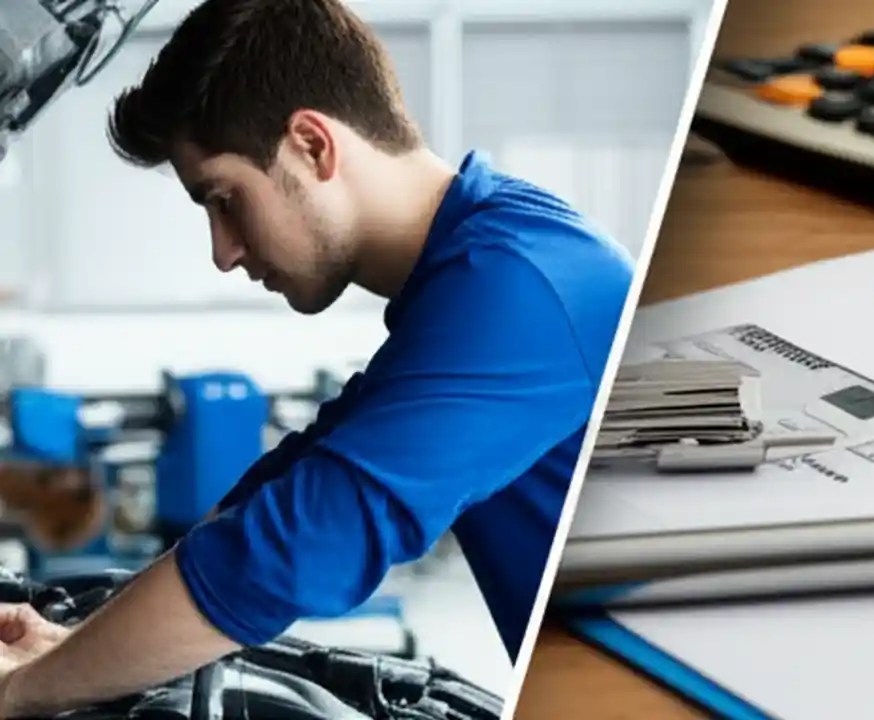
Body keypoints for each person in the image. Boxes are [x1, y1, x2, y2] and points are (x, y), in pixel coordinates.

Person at [0, 0, 634, 715]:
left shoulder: (524, 287)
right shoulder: (477, 268)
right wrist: (73, 644)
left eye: (225, 199)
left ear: (312, 144)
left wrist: (20, 693)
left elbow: (291, 547)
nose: (223, 251)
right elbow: (292, 480)